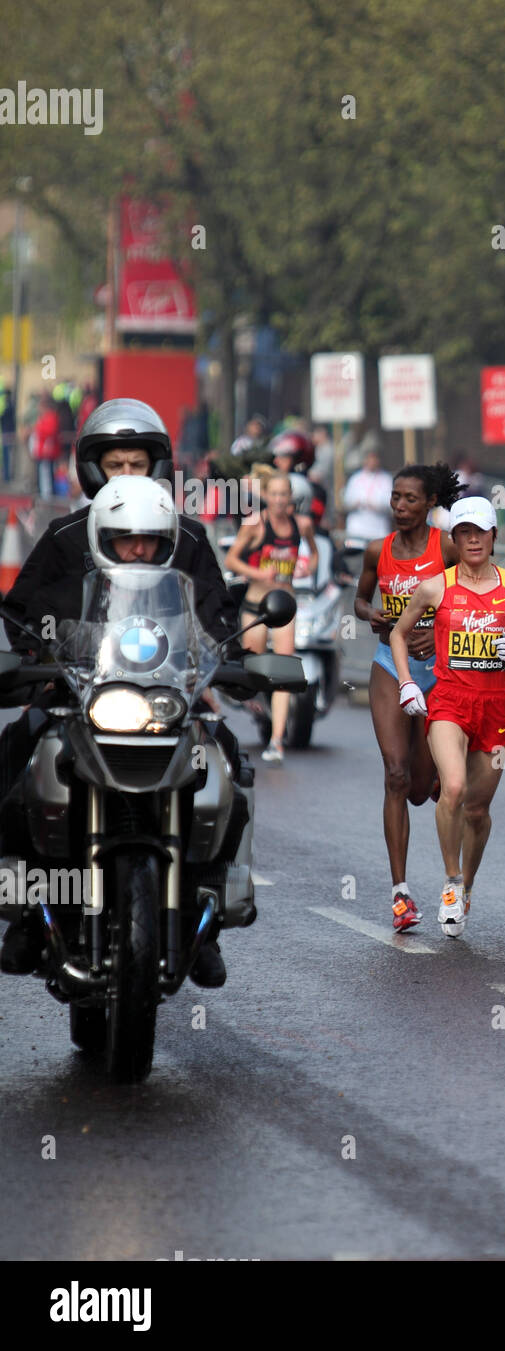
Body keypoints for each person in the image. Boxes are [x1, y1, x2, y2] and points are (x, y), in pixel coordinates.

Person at [0, 400, 245, 986]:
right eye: (116, 464)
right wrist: (39, 660)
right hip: (78, 690)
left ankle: (201, 915)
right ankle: (28, 913)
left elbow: (216, 613)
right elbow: (24, 611)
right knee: (18, 746)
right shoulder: (63, 535)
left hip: (168, 695)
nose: (128, 475)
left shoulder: (185, 535)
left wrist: (228, 661)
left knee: (228, 761)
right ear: (93, 470)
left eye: (138, 463)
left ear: (157, 468)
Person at [389, 496, 505, 936]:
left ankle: (468, 884)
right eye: (464, 533)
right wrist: (407, 683)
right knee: (452, 787)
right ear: (454, 540)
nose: (473, 539)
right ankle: (451, 882)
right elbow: (399, 634)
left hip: (496, 709)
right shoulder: (437, 586)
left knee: (477, 808)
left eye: (480, 531)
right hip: (449, 702)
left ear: (494, 535)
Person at [353, 464, 462, 929]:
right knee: (396, 777)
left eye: (410, 499)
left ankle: (433, 779)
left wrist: (437, 637)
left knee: (420, 790)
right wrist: (373, 614)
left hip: (439, 669)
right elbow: (358, 600)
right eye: (395, 497)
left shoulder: (449, 547)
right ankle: (400, 894)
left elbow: (471, 598)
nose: (399, 506)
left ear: (430, 502)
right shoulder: (377, 550)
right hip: (388, 664)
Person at [225, 472, 318, 764]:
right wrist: (257, 573)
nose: (279, 501)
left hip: (285, 608)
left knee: (282, 672)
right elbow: (231, 559)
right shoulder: (254, 524)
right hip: (256, 606)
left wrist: (307, 569)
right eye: (274, 495)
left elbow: (314, 554)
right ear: (266, 496)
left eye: (284, 495)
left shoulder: (301, 525)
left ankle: (277, 740)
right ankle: (260, 713)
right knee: (254, 671)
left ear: (291, 499)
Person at [343, 447, 394, 541]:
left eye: (374, 459)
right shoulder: (355, 479)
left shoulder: (386, 479)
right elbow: (347, 500)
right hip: (357, 527)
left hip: (378, 527)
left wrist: (375, 504)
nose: (372, 462)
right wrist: (357, 502)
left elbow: (390, 501)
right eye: (369, 459)